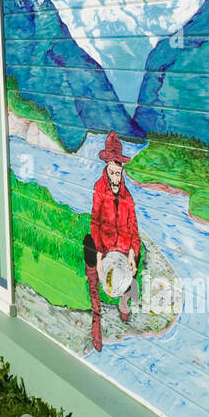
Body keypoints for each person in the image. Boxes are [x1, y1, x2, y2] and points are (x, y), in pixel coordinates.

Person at [83, 131, 141, 352]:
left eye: (119, 173)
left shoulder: (128, 199)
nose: (116, 178)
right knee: (88, 244)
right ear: (106, 169)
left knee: (139, 251)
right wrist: (99, 255)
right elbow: (95, 223)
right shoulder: (99, 190)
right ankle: (96, 314)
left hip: (122, 249)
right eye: (112, 172)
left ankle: (124, 301)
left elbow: (134, 232)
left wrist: (132, 254)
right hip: (105, 248)